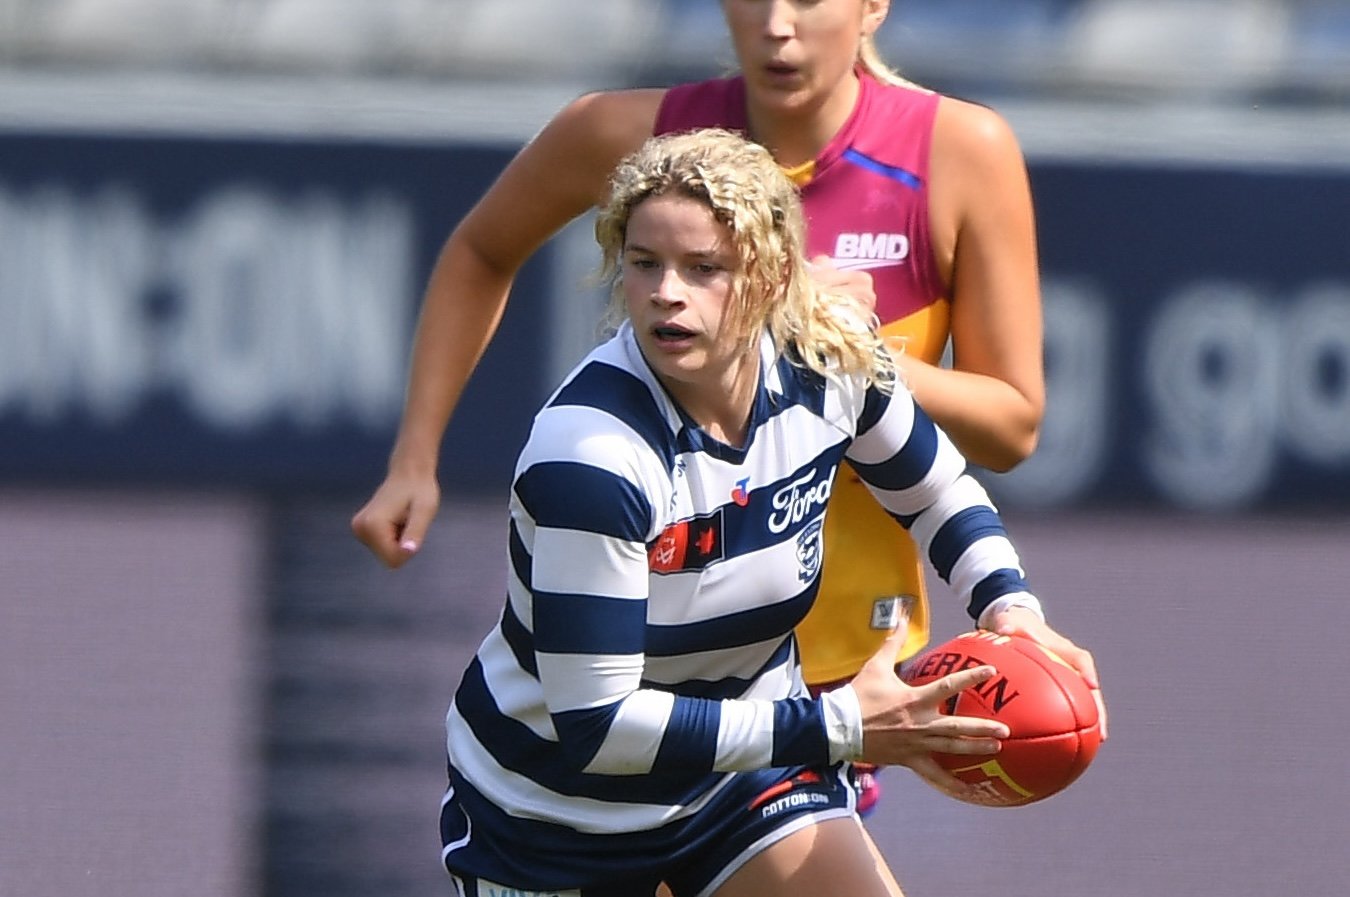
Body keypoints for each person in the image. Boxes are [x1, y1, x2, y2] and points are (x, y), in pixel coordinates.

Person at [351, 0, 1108, 812]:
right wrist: (413, 458)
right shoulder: (631, 139)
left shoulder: (957, 150)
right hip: (660, 664)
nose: (778, 24)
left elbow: (1011, 424)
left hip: (839, 662)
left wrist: (833, 346)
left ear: (874, 7)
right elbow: (481, 248)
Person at [438, 127, 1080, 897]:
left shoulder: (829, 362)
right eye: (645, 264)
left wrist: (1011, 607)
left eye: (704, 267)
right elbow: (601, 726)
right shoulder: (592, 456)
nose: (666, 292)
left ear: (774, 274)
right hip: (555, 819)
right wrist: (839, 725)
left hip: (739, 781)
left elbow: (937, 492)